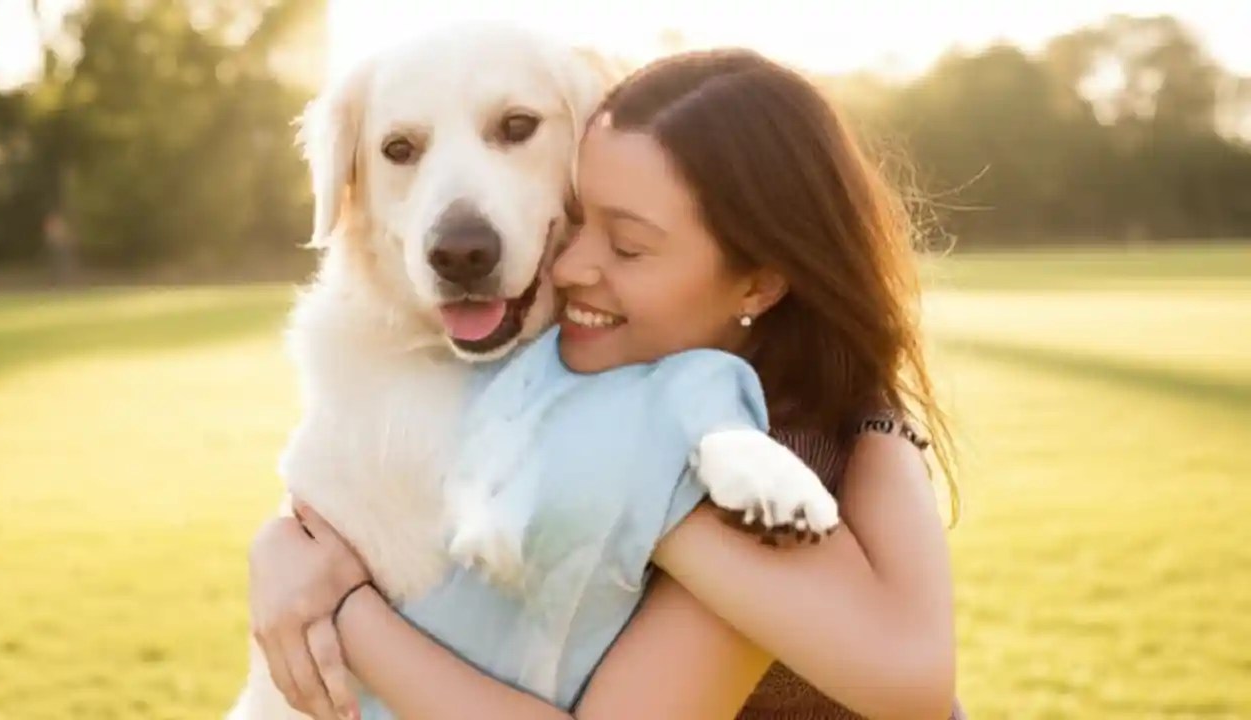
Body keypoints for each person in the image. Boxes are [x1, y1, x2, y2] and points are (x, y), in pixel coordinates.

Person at [248, 48, 963, 720]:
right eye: (577, 219)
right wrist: (287, 538)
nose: (567, 267)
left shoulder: (765, 463)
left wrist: (342, 607)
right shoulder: (614, 378)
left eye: (628, 246)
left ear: (760, 281)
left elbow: (915, 680)